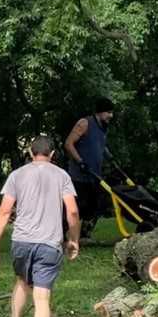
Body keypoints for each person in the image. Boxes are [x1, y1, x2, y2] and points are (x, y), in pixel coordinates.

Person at [0, 135, 80, 317]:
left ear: (30, 153)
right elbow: (73, 212)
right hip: (49, 244)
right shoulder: (62, 176)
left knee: (21, 281)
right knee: (42, 297)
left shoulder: (16, 175)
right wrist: (74, 239)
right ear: (53, 155)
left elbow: (5, 211)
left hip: (22, 242)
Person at [64, 97, 115, 238]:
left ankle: (84, 233)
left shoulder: (103, 127)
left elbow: (100, 145)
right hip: (79, 175)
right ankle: (60, 235)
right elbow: (68, 143)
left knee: (97, 205)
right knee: (75, 207)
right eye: (108, 112)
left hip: (94, 175)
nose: (111, 116)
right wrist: (80, 161)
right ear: (100, 112)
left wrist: (111, 159)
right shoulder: (85, 123)